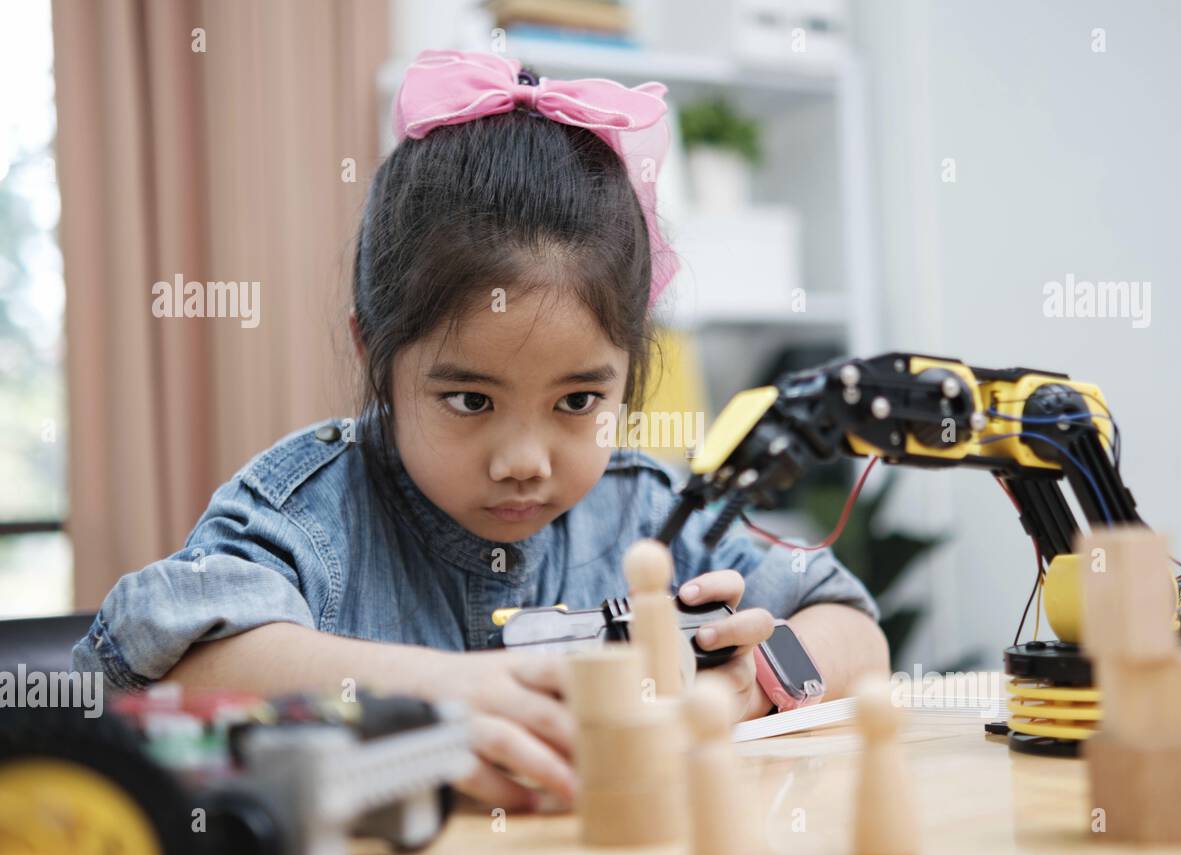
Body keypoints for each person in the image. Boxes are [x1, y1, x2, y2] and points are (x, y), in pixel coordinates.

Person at [73, 50, 887, 811]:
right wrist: (441, 691)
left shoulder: (651, 510)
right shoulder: (306, 513)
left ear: (631, 369)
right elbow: (170, 665)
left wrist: (763, 675)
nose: (525, 463)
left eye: (576, 403)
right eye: (470, 401)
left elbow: (855, 633)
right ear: (377, 356)